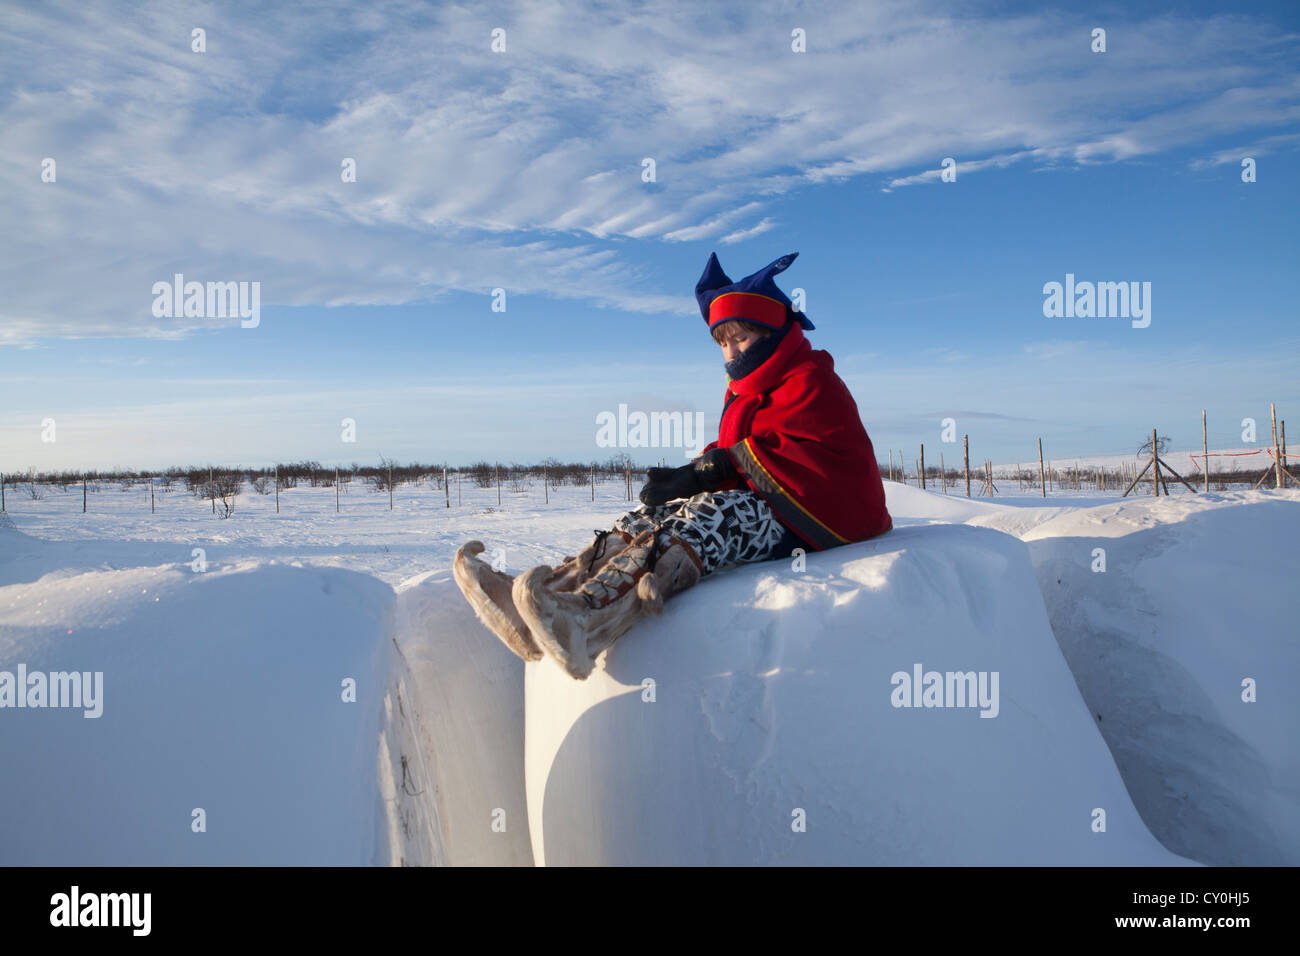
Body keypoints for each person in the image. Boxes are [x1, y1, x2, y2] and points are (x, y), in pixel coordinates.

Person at [454, 251, 892, 679]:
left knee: (713, 515)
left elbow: (811, 456)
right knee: (647, 517)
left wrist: (716, 469)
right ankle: (551, 598)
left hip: (822, 515)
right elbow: (738, 451)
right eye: (722, 342)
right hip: (772, 499)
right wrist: (693, 473)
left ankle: (588, 622)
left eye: (740, 338)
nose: (731, 350)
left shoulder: (811, 379)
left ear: (772, 333)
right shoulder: (745, 390)